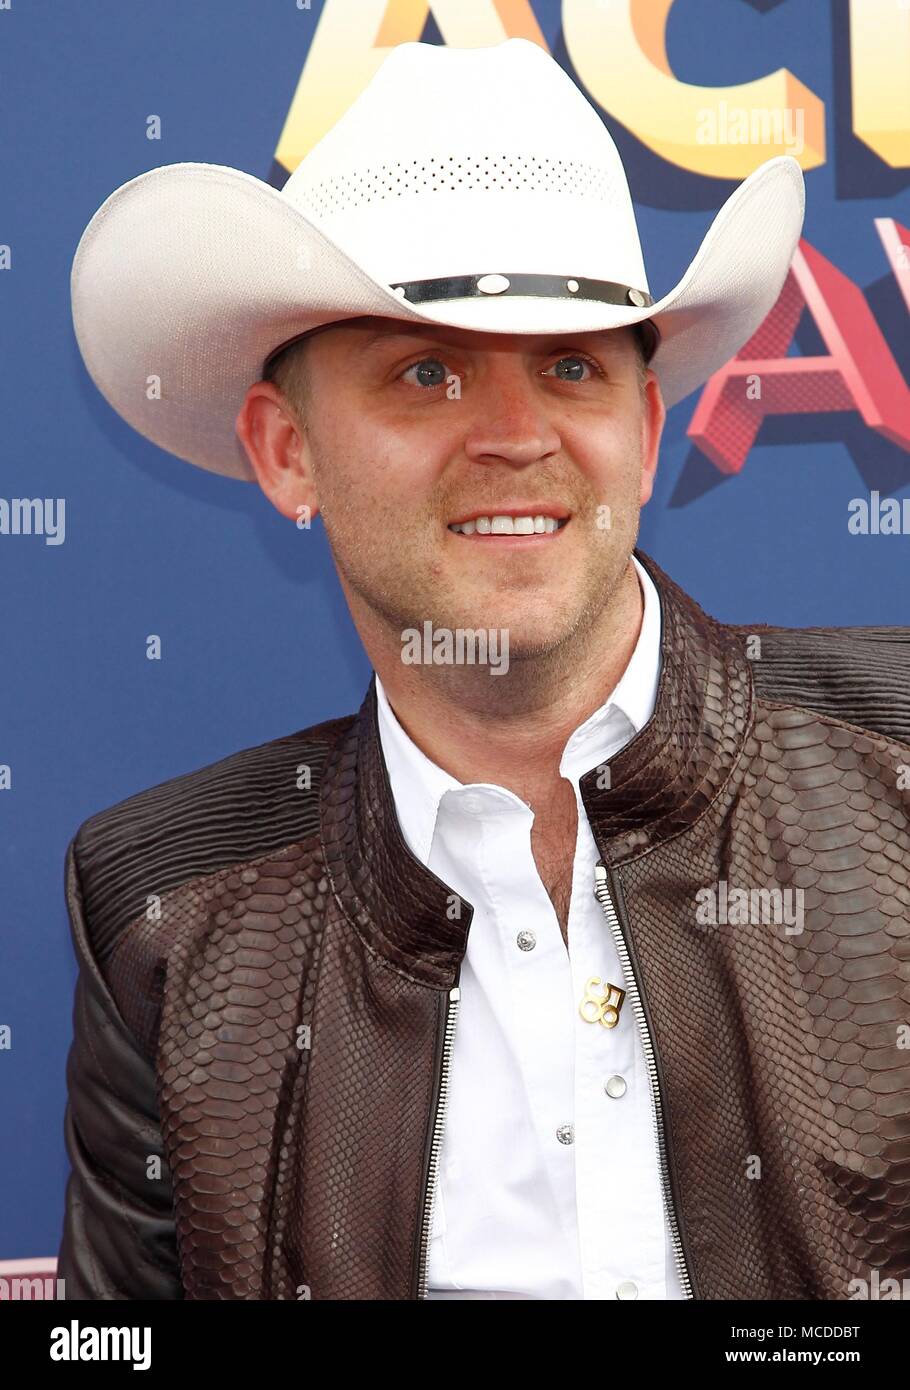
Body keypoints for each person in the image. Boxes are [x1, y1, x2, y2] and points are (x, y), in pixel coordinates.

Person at [57, 38, 910, 1301]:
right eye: (426, 372)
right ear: (285, 451)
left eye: (570, 365)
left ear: (643, 426)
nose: (515, 437)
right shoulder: (164, 912)